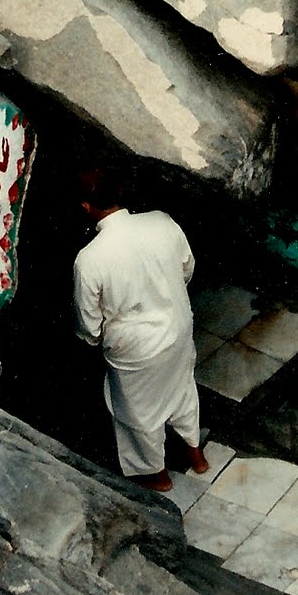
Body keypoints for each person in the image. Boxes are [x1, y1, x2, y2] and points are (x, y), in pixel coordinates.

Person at [73, 171, 208, 491]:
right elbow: (187, 267)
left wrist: (95, 339)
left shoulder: (89, 259)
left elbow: (87, 321)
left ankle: (158, 478)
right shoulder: (161, 222)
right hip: (177, 327)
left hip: (136, 349)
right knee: (182, 389)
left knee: (139, 414)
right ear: (120, 191)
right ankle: (197, 457)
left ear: (86, 206)